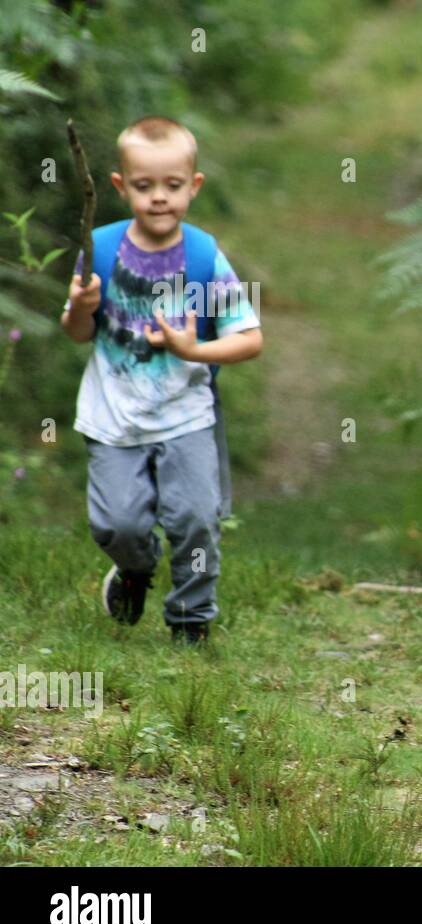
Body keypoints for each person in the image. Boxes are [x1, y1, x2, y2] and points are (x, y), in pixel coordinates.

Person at [60, 116, 263, 644]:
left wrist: (194, 349)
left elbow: (249, 338)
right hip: (114, 417)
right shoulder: (100, 250)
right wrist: (81, 307)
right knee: (118, 526)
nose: (158, 199)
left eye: (172, 186)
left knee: (196, 520)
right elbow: (79, 333)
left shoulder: (202, 258)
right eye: (144, 186)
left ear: (193, 186)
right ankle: (135, 568)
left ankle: (191, 622)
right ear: (120, 186)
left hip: (186, 415)